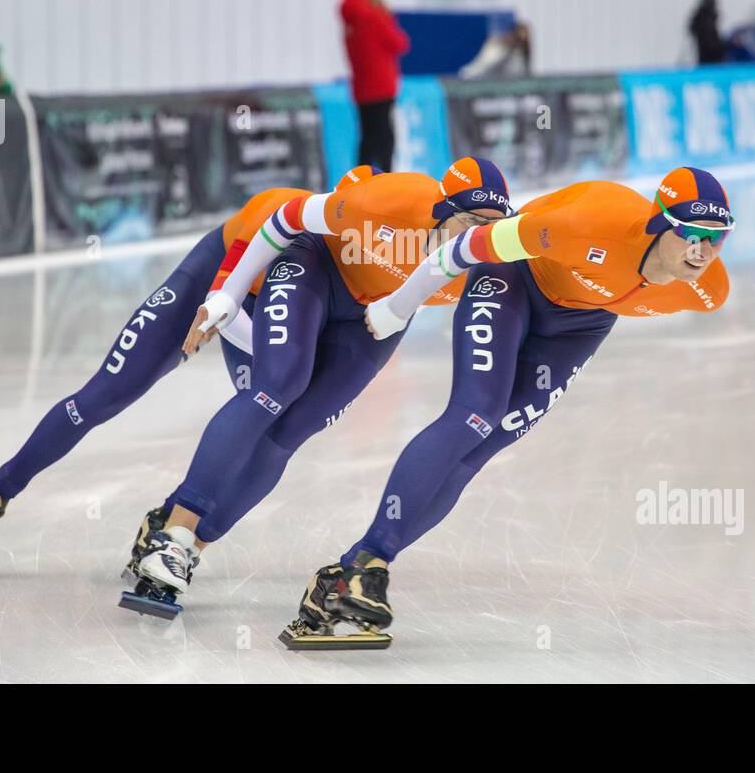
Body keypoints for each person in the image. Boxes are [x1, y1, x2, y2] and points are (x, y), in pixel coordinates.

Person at [289, 166, 733, 642]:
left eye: (717, 237)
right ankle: (369, 563)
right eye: (690, 232)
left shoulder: (708, 291)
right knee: (474, 417)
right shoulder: (583, 225)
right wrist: (399, 305)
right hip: (512, 279)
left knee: (480, 450)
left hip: (580, 326)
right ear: (657, 222)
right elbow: (462, 248)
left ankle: (351, 573)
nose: (701, 251)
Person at [0, 166, 386, 571]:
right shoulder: (280, 208)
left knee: (269, 428)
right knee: (106, 393)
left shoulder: (363, 271)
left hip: (265, 312)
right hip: (215, 290)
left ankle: (174, 529)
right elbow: (223, 300)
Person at [126, 157, 513, 614]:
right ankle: (174, 530)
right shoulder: (384, 204)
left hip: (372, 316)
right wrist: (228, 292)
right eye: (470, 222)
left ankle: (186, 553)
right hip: (316, 266)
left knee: (292, 431)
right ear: (442, 210)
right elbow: (285, 217)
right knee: (276, 387)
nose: (477, 238)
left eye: (493, 226)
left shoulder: (488, 256)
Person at [341, 0, 410, 173]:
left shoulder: (352, 17)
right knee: (384, 138)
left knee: (368, 137)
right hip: (380, 86)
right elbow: (400, 43)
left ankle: (362, 177)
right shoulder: (372, 16)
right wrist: (384, 13)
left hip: (362, 87)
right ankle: (384, 180)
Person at [688, 0, 725, 65]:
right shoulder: (706, 20)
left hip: (707, 58)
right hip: (710, 58)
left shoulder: (703, 18)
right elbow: (711, 42)